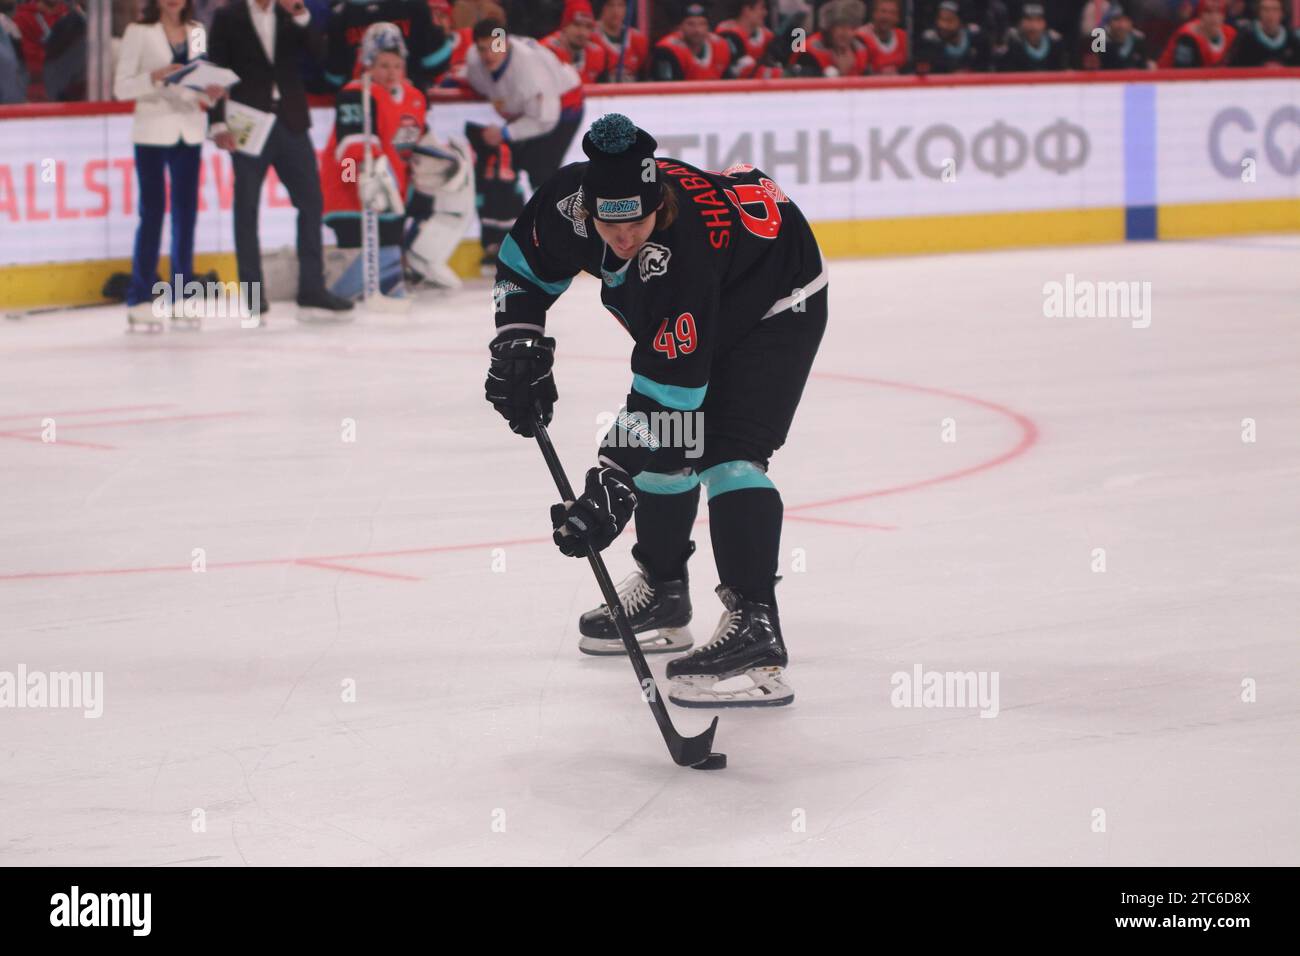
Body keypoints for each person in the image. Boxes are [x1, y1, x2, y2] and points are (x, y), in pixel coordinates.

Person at [483, 113, 827, 708]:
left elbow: (670, 396)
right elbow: (523, 267)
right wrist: (519, 340)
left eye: (637, 222)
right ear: (586, 208)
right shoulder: (568, 199)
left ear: (658, 204)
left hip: (778, 294)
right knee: (667, 444)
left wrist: (611, 480)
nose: (622, 239)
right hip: (721, 287)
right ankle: (666, 589)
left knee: (726, 450)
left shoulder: (682, 253)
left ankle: (755, 628)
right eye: (608, 225)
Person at [208, 0, 352, 319]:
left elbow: (320, 54)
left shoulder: (291, 14)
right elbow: (215, 72)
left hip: (291, 120)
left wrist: (300, 14)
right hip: (247, 121)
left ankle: (312, 288)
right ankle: (253, 294)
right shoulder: (227, 16)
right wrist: (216, 123)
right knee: (246, 208)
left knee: (312, 202)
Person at [114, 0, 224, 330]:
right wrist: (155, 77)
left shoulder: (197, 32)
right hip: (152, 130)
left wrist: (212, 93)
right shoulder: (139, 32)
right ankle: (140, 296)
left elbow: (202, 88)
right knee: (152, 214)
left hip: (188, 131)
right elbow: (121, 88)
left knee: (186, 216)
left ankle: (182, 294)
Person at [463, 16, 583, 268]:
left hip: (562, 109)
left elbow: (546, 120)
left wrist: (506, 133)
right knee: (500, 168)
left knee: (541, 172)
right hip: (527, 114)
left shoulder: (528, 69)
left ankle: (557, 243)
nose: (488, 55)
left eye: (494, 46)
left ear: (506, 44)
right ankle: (505, 241)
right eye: (482, 48)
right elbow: (479, 83)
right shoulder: (474, 62)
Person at [319, 22, 425, 300]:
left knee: (389, 245)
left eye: (396, 65)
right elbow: (348, 151)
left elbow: (408, 148)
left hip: (390, 191)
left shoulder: (414, 98)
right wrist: (356, 183)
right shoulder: (354, 94)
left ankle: (387, 288)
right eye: (383, 65)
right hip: (349, 189)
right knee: (355, 255)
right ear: (368, 64)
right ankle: (347, 293)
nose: (391, 73)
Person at [324, 0, 447, 91]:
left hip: (362, 102)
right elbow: (434, 64)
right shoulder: (415, 5)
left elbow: (335, 77)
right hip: (405, 103)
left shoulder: (340, 14)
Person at [651, 3, 733, 80]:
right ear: (680, 27)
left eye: (702, 24)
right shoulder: (666, 51)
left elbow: (730, 83)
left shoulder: (721, 46)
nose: (697, 30)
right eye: (690, 24)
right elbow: (666, 89)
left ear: (708, 27)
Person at [789, 0, 870, 76]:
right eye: (841, 26)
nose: (846, 32)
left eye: (851, 27)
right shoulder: (809, 52)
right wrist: (839, 73)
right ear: (829, 28)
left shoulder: (861, 48)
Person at [541, 0, 610, 83]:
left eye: (588, 27)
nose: (582, 32)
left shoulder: (598, 55)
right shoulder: (545, 52)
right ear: (565, 26)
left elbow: (604, 92)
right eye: (577, 25)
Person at [915, 0, 991, 73]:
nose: (943, 25)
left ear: (961, 23)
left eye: (949, 20)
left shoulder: (977, 40)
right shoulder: (929, 43)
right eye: (940, 19)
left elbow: (986, 69)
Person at [13, 0, 67, 100]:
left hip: (69, 93)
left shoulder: (69, 16)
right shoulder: (23, 18)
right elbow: (28, 62)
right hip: (38, 97)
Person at [717, 0, 784, 78]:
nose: (765, 13)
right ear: (747, 10)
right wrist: (780, 74)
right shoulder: (728, 34)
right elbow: (743, 70)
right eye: (762, 8)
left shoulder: (766, 35)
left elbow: (778, 60)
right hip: (729, 87)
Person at [1159, 0, 1237, 65]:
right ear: (1200, 16)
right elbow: (1183, 73)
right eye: (1208, 12)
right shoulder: (1187, 37)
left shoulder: (1231, 34)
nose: (1214, 17)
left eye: (1219, 12)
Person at [994, 2, 1069, 70]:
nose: (1033, 26)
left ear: (1044, 23)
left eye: (1038, 20)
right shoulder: (1012, 44)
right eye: (1028, 19)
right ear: (1021, 22)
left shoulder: (1055, 43)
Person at [1229, 0, 1300, 64]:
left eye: (1275, 9)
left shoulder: (1292, 40)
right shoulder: (1245, 38)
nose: (1270, 14)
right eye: (1265, 9)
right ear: (1259, 12)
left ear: (1282, 13)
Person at [592, 0, 648, 81]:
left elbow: (644, 76)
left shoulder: (638, 39)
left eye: (620, 5)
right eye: (610, 5)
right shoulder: (590, 38)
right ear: (601, 7)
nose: (616, 11)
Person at [857, 0, 909, 74]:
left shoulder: (903, 37)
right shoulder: (861, 37)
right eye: (883, 11)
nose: (887, 17)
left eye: (892, 13)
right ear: (874, 13)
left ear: (898, 17)